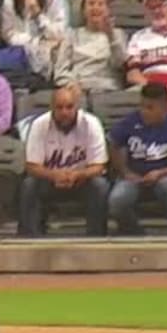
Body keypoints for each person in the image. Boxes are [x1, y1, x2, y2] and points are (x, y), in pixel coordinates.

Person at [107, 83, 167, 236]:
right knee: (117, 201)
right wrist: (125, 171)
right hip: (134, 176)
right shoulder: (131, 121)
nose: (144, 112)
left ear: (164, 107)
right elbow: (112, 143)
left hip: (164, 176)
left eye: (150, 108)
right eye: (142, 106)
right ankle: (139, 237)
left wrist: (161, 172)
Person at [19, 84, 111, 237]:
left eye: (69, 107)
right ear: (52, 108)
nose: (64, 112)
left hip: (82, 180)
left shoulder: (91, 124)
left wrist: (76, 175)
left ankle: (96, 239)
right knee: (29, 185)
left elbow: (99, 166)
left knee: (100, 185)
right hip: (49, 180)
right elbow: (32, 166)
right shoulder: (39, 124)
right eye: (59, 107)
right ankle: (31, 240)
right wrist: (55, 175)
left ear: (77, 106)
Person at [44, 0, 127, 93]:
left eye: (100, 4)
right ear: (83, 10)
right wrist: (71, 84)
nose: (95, 8)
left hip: (108, 89)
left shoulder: (117, 35)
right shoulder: (71, 35)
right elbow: (60, 71)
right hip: (78, 89)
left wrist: (111, 36)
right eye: (91, 4)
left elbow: (121, 65)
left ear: (108, 10)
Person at [0, 0, 69, 76]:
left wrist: (38, 14)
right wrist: (34, 41)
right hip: (20, 50)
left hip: (50, 53)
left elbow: (59, 34)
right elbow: (8, 34)